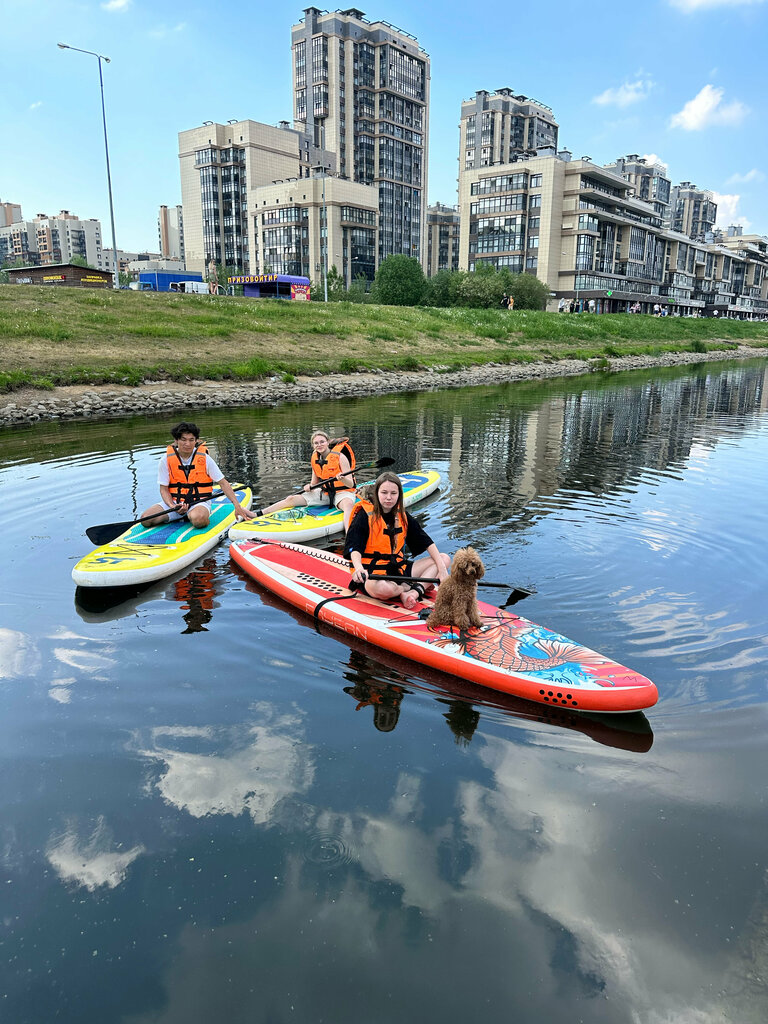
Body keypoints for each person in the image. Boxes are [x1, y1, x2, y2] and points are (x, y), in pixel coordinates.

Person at [345, 471, 451, 610]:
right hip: (373, 573)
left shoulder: (402, 516)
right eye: (384, 493)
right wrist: (358, 568)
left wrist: (442, 571)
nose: (388, 497)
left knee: (443, 559)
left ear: (399, 495)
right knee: (384, 589)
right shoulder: (364, 515)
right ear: (377, 493)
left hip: (399, 570)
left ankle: (413, 592)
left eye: (393, 493)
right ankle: (407, 589)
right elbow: (355, 548)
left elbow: (427, 542)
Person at [141, 421, 254, 528]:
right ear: (176, 440)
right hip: (175, 502)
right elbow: (163, 489)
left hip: (198, 501)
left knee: (199, 520)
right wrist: (172, 506)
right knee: (145, 519)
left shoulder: (205, 459)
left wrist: (237, 506)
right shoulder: (165, 460)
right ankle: (178, 515)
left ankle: (196, 515)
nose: (187, 444)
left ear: (196, 440)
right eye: (183, 440)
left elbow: (223, 483)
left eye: (191, 440)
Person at [254, 430, 358, 529]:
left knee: (348, 506)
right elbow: (314, 484)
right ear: (313, 445)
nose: (319, 445)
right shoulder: (315, 458)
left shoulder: (340, 457)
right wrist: (309, 487)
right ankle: (258, 513)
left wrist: (343, 479)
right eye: (316, 443)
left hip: (343, 493)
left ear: (328, 442)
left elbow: (350, 484)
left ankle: (349, 537)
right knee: (291, 498)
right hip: (325, 493)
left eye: (322, 442)